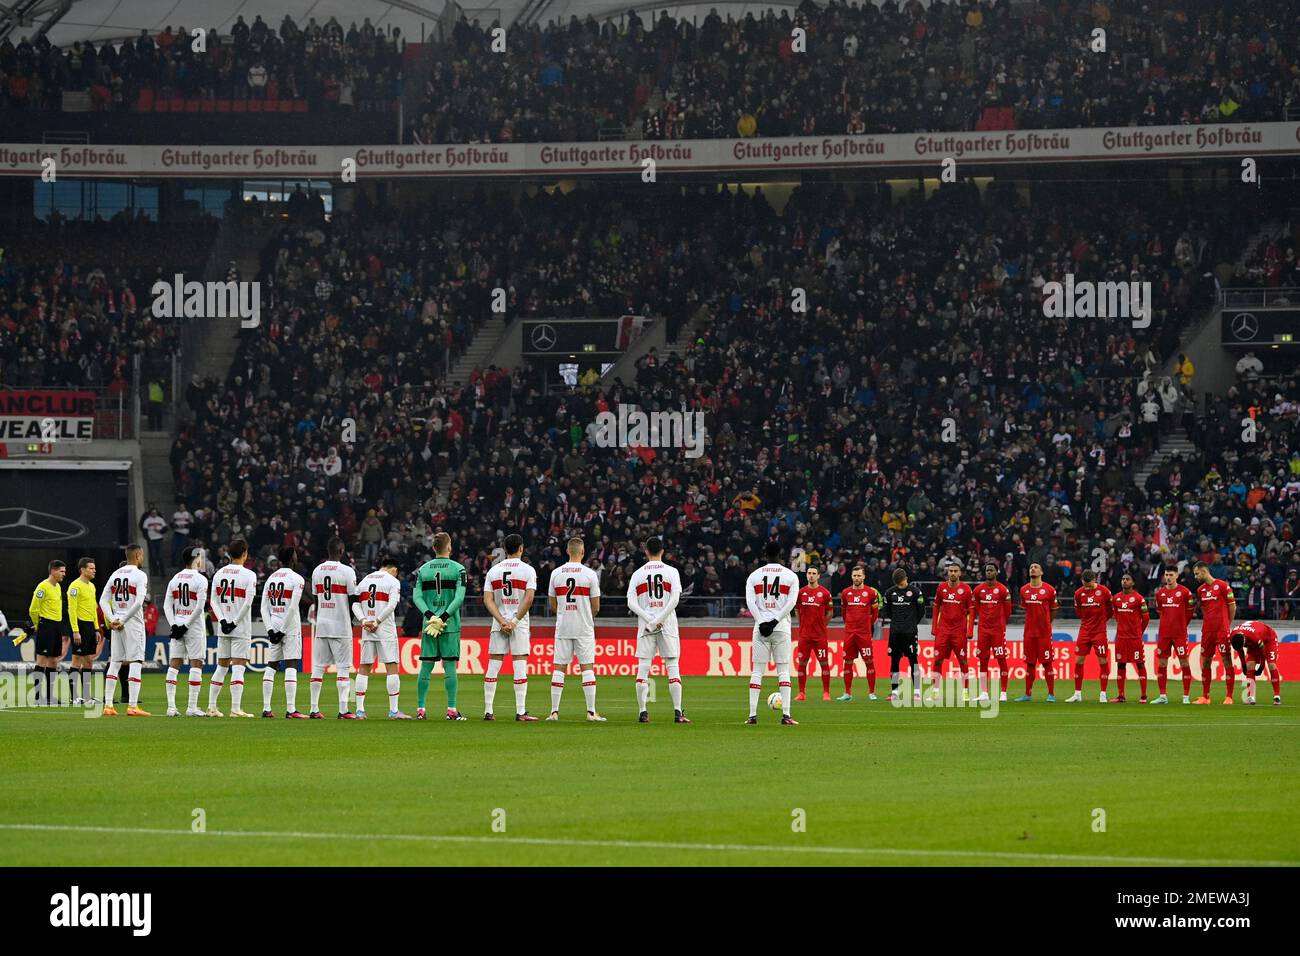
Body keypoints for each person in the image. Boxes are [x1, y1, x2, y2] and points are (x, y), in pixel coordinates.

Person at [626, 536, 689, 723]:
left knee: (643, 668)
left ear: (646, 551)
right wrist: (660, 619)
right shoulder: (672, 572)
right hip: (667, 623)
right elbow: (675, 599)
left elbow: (630, 602)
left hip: (646, 626)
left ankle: (642, 711)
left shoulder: (638, 574)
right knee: (672, 666)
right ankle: (678, 712)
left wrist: (650, 619)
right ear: (662, 551)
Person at [546, 537, 605, 721]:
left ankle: (554, 712)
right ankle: (590, 712)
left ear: (567, 551)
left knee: (559, 668)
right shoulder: (589, 574)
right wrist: (586, 616)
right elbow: (596, 606)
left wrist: (564, 613)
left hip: (563, 626)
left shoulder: (556, 573)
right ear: (583, 552)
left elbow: (552, 602)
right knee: (587, 667)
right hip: (584, 627)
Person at [482, 534, 539, 721]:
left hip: (499, 622)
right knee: (519, 663)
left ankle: (488, 711)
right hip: (519, 623)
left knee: (494, 664)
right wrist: (514, 621)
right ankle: (520, 711)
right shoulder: (528, 570)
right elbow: (529, 598)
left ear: (505, 549)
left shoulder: (493, 571)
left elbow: (487, 600)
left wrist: (501, 620)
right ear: (521, 548)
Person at [412, 532, 468, 720]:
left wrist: (430, 616)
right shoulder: (459, 569)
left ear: (434, 548)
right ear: (449, 547)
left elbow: (416, 597)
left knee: (426, 667)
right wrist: (443, 617)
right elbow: (459, 597)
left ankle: (421, 709)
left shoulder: (422, 570)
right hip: (449, 624)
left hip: (429, 625)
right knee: (450, 665)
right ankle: (451, 710)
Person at [743, 540, 800, 725]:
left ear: (764, 555)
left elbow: (750, 602)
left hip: (760, 629)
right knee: (783, 670)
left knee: (757, 670)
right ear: (780, 554)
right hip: (781, 628)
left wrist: (762, 622)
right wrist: (775, 621)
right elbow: (791, 603)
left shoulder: (754, 576)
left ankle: (752, 715)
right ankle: (786, 715)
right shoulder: (791, 576)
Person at [352, 558, 410, 719]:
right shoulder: (392, 581)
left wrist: (364, 620)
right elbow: (392, 605)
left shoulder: (365, 580)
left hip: (367, 629)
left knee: (364, 667)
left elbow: (355, 604)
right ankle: (393, 711)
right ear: (394, 569)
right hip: (384, 629)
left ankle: (360, 710)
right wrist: (377, 621)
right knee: (391, 667)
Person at [309, 537, 359, 719]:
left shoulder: (317, 571)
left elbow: (315, 599)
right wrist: (352, 621)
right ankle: (343, 709)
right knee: (343, 668)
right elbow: (354, 599)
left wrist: (321, 614)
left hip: (322, 624)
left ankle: (314, 709)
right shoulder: (347, 571)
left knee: (318, 668)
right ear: (342, 550)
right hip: (341, 625)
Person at [98, 546, 151, 716]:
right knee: (136, 661)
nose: (142, 557)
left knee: (115, 662)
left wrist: (113, 619)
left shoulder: (116, 574)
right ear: (137, 555)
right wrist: (123, 620)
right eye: (141, 555)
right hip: (132, 623)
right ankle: (133, 706)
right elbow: (138, 602)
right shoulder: (140, 575)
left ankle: (108, 706)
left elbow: (103, 600)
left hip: (116, 623)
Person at [209, 538, 258, 718]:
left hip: (223, 627)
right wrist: (234, 622)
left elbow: (213, 600)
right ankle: (236, 708)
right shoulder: (249, 575)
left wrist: (222, 620)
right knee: (238, 667)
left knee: (221, 667)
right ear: (245, 554)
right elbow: (247, 603)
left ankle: (212, 707)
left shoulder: (219, 573)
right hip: (239, 628)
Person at [260, 546, 308, 718]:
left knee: (271, 664)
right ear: (292, 558)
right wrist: (282, 630)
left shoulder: (270, 579)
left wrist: (271, 630)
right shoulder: (297, 579)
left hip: (274, 622)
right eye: (295, 555)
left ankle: (266, 708)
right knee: (291, 664)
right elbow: (293, 607)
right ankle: (291, 709)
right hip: (290, 626)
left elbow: (263, 608)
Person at [163, 547, 209, 717]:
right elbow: (200, 606)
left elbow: (167, 605)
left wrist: (174, 624)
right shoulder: (200, 579)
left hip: (177, 624)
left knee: (174, 663)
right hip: (194, 627)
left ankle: (171, 707)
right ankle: (192, 707)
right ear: (195, 559)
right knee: (196, 663)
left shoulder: (174, 579)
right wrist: (186, 625)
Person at [1192, 561, 1238, 705]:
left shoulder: (1223, 586)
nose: (1195, 576)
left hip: (1221, 630)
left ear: (1204, 571)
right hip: (1207, 631)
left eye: (1197, 573)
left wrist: (1227, 624)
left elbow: (1232, 607)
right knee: (1205, 661)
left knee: (1226, 660)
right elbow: (1205, 609)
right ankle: (1205, 697)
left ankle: (1229, 696)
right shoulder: (1200, 590)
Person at [930, 562, 974, 701]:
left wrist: (970, 629)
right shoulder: (941, 587)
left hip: (959, 631)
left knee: (962, 661)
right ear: (947, 573)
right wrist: (934, 627)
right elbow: (936, 606)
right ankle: (935, 691)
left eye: (956, 571)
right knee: (937, 660)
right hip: (943, 630)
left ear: (960, 573)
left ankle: (965, 691)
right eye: (951, 571)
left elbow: (972, 610)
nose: (953, 573)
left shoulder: (966, 589)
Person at [835, 565, 880, 702]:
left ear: (864, 576)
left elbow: (875, 614)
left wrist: (866, 625)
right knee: (847, 662)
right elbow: (844, 613)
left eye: (859, 575)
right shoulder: (845, 593)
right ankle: (847, 693)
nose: (856, 578)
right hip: (849, 633)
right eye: (854, 575)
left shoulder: (871, 593)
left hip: (864, 634)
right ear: (851, 576)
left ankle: (871, 692)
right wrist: (850, 624)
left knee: (869, 662)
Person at [1067, 569, 1112, 703]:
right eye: (1085, 584)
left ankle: (1103, 693)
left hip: (1099, 632)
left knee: (1102, 661)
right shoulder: (1078, 593)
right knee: (1079, 661)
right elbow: (1079, 611)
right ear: (1082, 581)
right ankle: (1077, 694)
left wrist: (1102, 621)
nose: (1087, 586)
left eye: (1089, 584)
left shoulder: (1104, 591)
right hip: (1085, 632)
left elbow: (1110, 609)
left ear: (1094, 580)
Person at [1015, 563, 1058, 702]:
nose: (1032, 569)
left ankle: (1051, 694)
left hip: (1044, 633)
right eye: (1031, 567)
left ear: (1042, 572)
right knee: (1030, 664)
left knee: (1047, 663)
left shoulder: (1049, 590)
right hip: (1029, 633)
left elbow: (1053, 609)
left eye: (1036, 567)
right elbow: (1026, 608)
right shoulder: (1024, 590)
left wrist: (1047, 624)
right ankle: (1027, 694)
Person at [1151, 566, 1194, 704]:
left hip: (1179, 634)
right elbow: (1160, 611)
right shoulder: (1160, 593)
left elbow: (1189, 613)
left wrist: (1181, 626)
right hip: (1164, 634)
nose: (1168, 577)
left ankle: (1186, 696)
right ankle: (1163, 696)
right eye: (1166, 574)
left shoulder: (1185, 592)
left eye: (1170, 574)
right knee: (1162, 663)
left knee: (1184, 662)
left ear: (1177, 575)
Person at [28, 560, 67, 706]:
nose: (64, 574)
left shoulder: (57, 587)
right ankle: (38, 697)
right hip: (46, 625)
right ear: (53, 571)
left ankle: (50, 696)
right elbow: (33, 609)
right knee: (42, 660)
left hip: (56, 626)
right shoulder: (43, 586)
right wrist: (37, 624)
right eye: (62, 571)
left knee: (53, 661)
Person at [882, 567, 925, 702]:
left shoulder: (915, 592)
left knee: (913, 661)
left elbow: (921, 611)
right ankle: (894, 692)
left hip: (910, 633)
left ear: (906, 578)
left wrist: (911, 623)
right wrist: (897, 622)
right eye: (898, 584)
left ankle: (917, 692)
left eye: (901, 583)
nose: (900, 586)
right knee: (894, 661)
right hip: (895, 632)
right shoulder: (889, 593)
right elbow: (887, 611)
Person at [972, 562, 1012, 702]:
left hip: (997, 631)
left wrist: (1000, 623)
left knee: (1001, 659)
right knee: (983, 660)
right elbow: (976, 607)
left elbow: (1008, 611)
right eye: (987, 570)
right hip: (983, 630)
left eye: (991, 570)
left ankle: (1004, 692)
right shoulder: (978, 590)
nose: (989, 572)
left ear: (997, 572)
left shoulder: (1002, 589)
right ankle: (984, 692)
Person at [65, 557, 102, 706]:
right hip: (79, 626)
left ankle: (86, 696)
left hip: (89, 627)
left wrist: (96, 628)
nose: (94, 570)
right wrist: (75, 631)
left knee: (88, 661)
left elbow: (94, 609)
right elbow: (71, 610)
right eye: (91, 568)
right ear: (83, 569)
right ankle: (74, 696)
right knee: (76, 660)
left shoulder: (92, 586)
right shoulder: (75, 586)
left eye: (94, 568)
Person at [793, 565, 833, 702]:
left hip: (819, 636)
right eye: (809, 573)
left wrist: (822, 625)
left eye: (813, 573)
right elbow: (797, 610)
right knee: (802, 663)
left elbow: (830, 612)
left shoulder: (825, 593)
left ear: (818, 576)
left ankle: (826, 693)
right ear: (806, 575)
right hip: (804, 636)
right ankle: (801, 693)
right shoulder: (800, 593)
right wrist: (802, 624)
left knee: (824, 664)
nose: (811, 575)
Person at [1110, 573, 1150, 703]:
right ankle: (1121, 696)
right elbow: (1115, 615)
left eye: (1127, 579)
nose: (1124, 581)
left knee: (1140, 664)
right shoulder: (1116, 598)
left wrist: (1139, 632)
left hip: (1134, 638)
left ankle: (1143, 696)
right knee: (1121, 665)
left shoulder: (1139, 599)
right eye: (1123, 579)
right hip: (1121, 638)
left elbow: (1146, 618)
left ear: (1133, 583)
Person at [1230, 620, 1282, 705]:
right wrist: (1243, 666)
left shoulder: (1254, 637)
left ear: (1244, 641)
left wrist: (1261, 666)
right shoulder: (1233, 636)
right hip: (1253, 643)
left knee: (1272, 665)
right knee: (1249, 665)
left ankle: (1277, 695)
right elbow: (1240, 651)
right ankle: (1251, 696)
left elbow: (1263, 652)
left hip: (1268, 639)